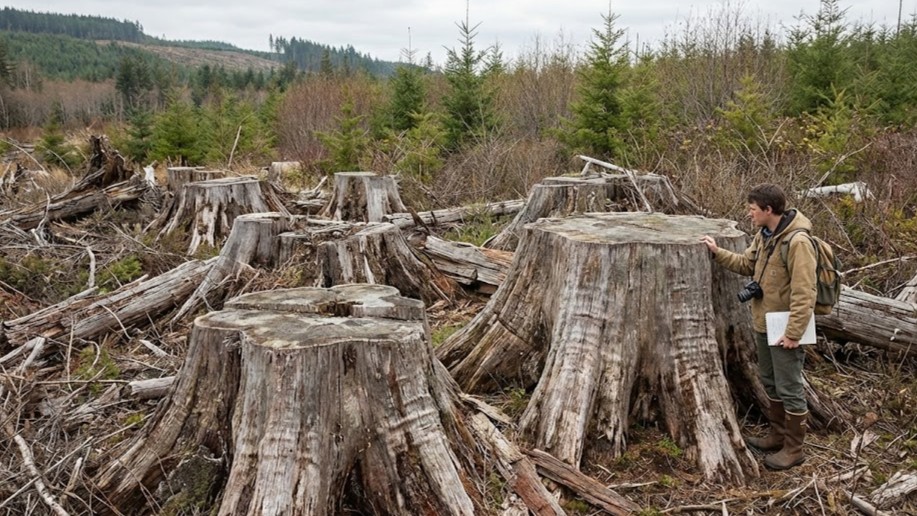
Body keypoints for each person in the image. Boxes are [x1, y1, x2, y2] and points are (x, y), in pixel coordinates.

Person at [700, 183, 817, 471]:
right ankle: (777, 435)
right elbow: (746, 264)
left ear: (768, 210)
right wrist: (717, 252)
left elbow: (806, 291)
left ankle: (794, 449)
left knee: (789, 387)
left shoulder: (798, 242)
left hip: (785, 327)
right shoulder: (764, 235)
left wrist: (794, 333)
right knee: (769, 380)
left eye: (753, 209)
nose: (749, 213)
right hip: (765, 322)